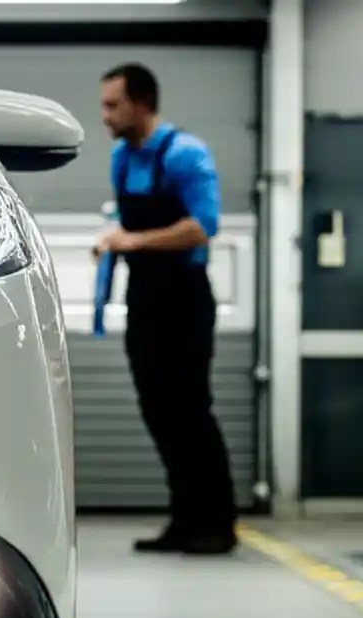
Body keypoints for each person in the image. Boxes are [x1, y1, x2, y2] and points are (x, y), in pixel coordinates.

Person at [95, 62, 238, 555]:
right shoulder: (120, 158)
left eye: (112, 104)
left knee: (191, 410)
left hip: (185, 299)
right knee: (158, 412)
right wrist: (117, 244)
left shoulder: (185, 154)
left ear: (140, 103)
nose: (105, 115)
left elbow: (203, 226)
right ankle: (184, 520)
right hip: (146, 300)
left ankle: (219, 524)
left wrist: (132, 240)